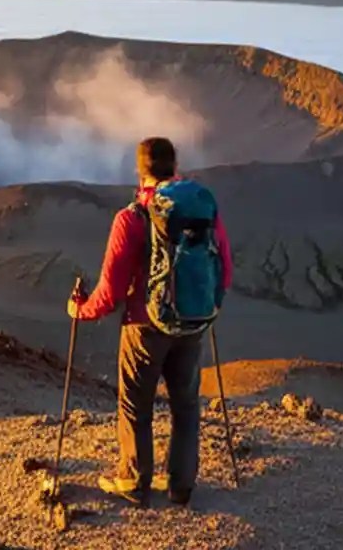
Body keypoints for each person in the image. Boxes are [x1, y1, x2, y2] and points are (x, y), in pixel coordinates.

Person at [68, 136, 233, 507]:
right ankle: (182, 486)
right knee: (186, 405)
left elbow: (110, 293)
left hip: (145, 328)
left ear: (139, 171)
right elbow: (224, 270)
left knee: (135, 405)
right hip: (193, 324)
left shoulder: (131, 218)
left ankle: (133, 479)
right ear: (175, 166)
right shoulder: (202, 211)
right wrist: (209, 307)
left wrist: (80, 310)